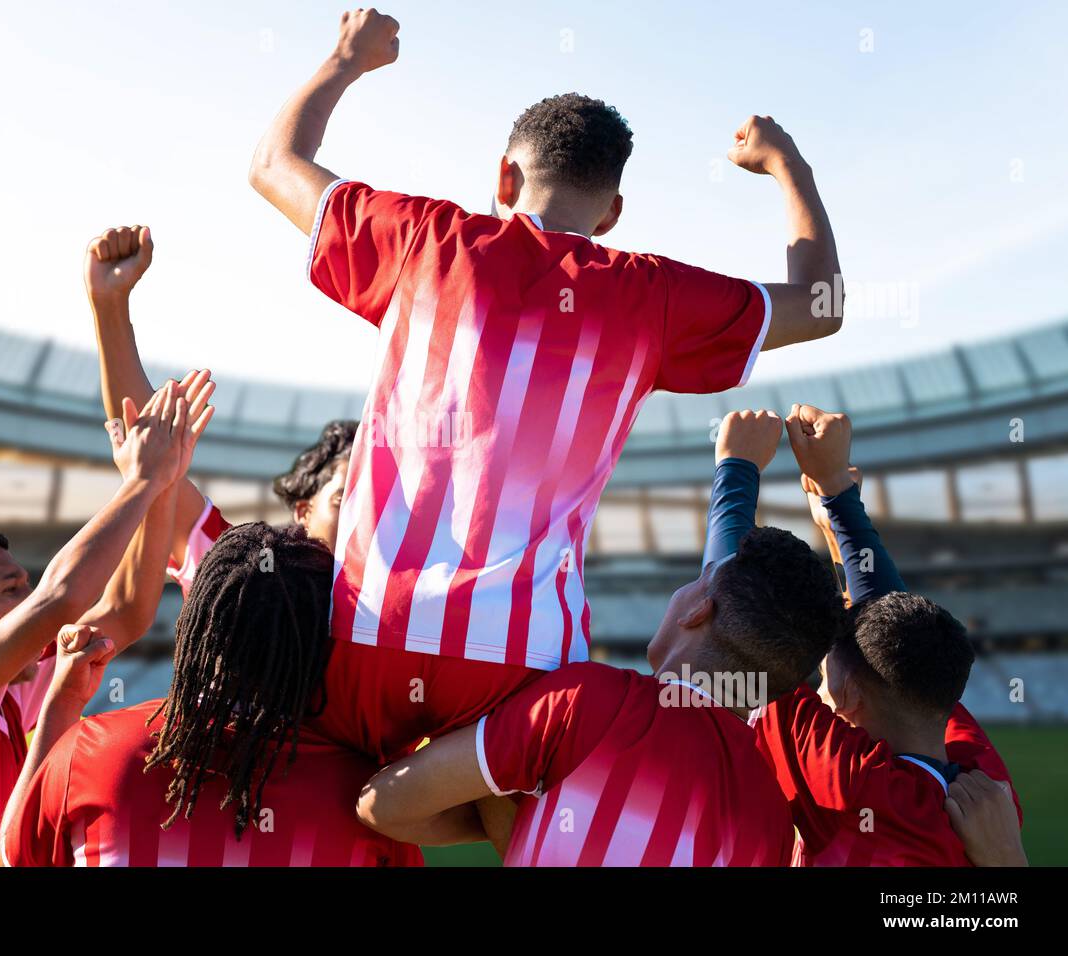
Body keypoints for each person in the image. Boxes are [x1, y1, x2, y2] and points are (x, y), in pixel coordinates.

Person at [248, 9, 847, 763]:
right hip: (525, 660)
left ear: (504, 176)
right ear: (613, 214)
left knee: (339, 809)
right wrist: (789, 163)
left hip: (364, 626)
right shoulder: (653, 296)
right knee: (509, 829)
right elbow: (822, 303)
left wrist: (347, 58)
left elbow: (273, 163)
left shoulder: (424, 240)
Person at [354, 411, 844, 865]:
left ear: (698, 610)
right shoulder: (776, 822)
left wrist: (526, 827)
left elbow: (385, 803)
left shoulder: (589, 702)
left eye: (696, 582)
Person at [0, 377, 213, 866]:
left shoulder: (6, 695)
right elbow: (61, 599)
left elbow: (129, 609)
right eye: (11, 591)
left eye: (26, 587)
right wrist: (140, 482)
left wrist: (165, 486)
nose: (28, 602)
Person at [0, 523, 422, 867]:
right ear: (324, 643)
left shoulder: (95, 754)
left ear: (197, 628)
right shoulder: (371, 796)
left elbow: (14, 858)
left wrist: (63, 702)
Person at [713, 403, 1021, 865]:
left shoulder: (852, 782)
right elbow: (892, 629)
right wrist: (837, 500)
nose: (819, 686)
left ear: (849, 693)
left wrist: (735, 472)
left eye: (822, 673)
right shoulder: (984, 786)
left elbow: (738, 628)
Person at [83, 223, 357, 578]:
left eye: (384, 507)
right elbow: (150, 449)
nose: (364, 518)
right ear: (304, 513)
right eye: (344, 500)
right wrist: (110, 306)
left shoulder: (421, 608)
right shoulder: (247, 572)